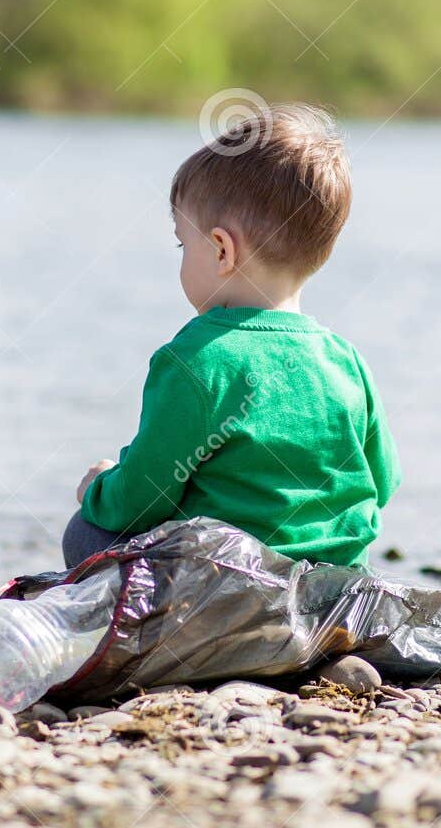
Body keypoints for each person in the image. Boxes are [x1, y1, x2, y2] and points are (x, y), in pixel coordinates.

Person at [62, 103, 399, 571]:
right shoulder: (346, 362)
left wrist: (99, 487)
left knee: (86, 531)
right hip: (333, 590)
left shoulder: (198, 358)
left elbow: (141, 500)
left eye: (183, 243)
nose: (182, 256)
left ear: (222, 250)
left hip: (222, 589)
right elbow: (384, 481)